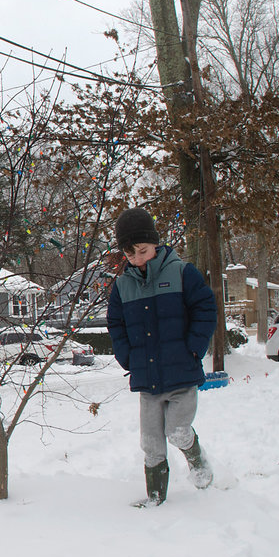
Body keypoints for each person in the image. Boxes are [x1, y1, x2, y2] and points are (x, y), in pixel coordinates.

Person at [105, 207, 216, 507]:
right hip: (147, 378)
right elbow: (115, 323)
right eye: (131, 255)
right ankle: (156, 500)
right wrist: (126, 355)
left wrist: (195, 345)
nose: (137, 259)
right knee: (151, 444)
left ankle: (199, 462)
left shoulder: (181, 272)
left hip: (182, 374)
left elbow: (206, 307)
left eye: (143, 251)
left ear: (156, 243)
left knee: (178, 431)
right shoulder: (123, 286)